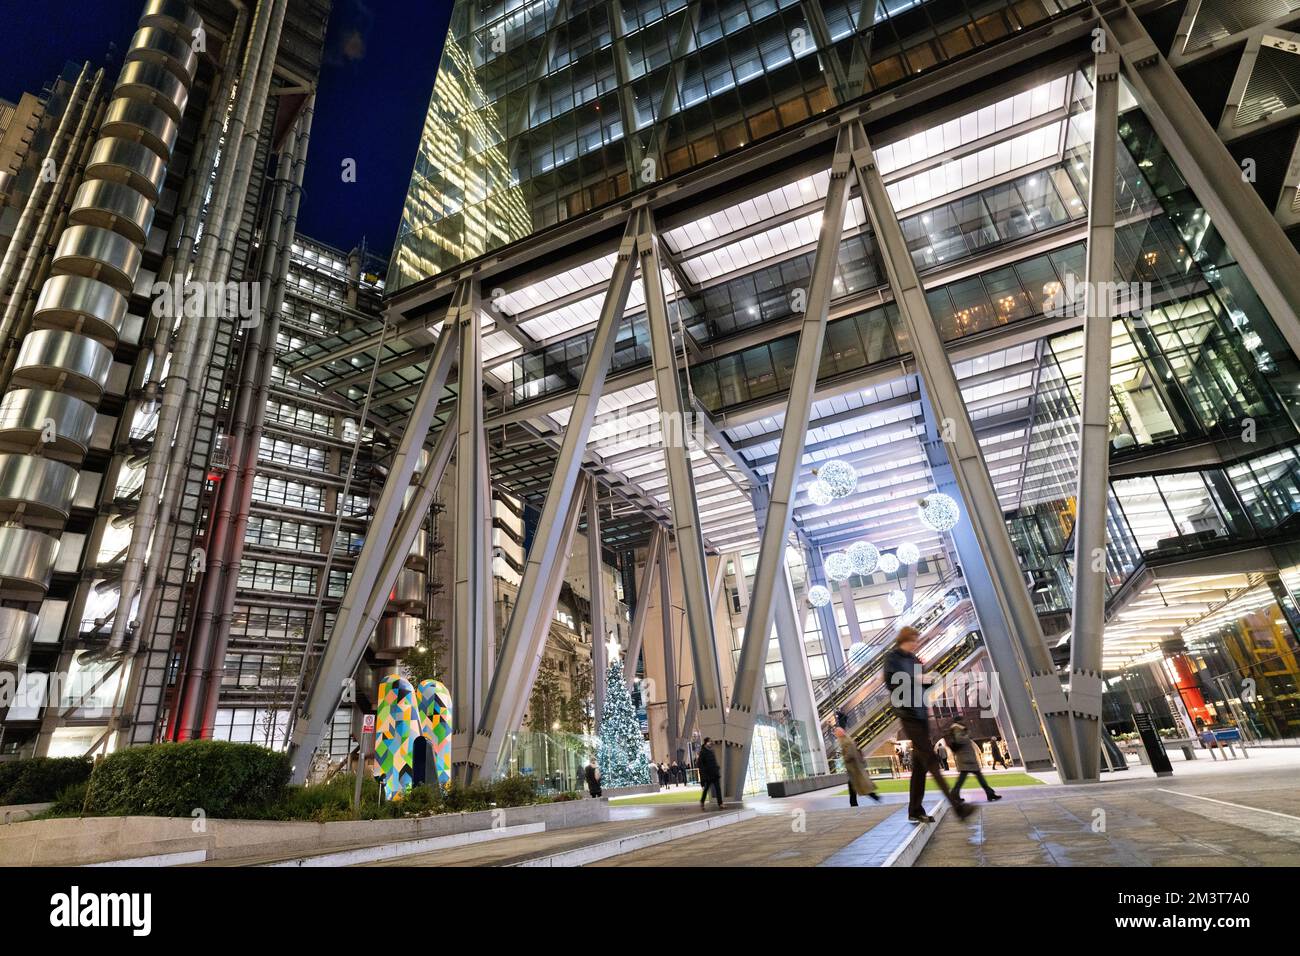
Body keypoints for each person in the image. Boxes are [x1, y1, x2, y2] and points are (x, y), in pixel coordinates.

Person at [882, 626, 974, 824]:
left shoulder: (914, 660)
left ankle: (915, 810)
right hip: (907, 713)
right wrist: (916, 679)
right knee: (931, 759)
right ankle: (958, 807)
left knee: (920, 765)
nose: (916, 644)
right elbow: (892, 683)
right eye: (914, 640)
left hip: (921, 713)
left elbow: (922, 686)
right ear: (905, 639)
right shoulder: (892, 658)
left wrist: (930, 680)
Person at [947, 718, 1001, 803]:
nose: (964, 721)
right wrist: (967, 734)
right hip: (965, 758)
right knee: (976, 777)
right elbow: (960, 739)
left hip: (966, 757)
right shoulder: (957, 728)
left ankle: (955, 795)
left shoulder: (959, 728)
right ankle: (990, 794)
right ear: (958, 721)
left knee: (965, 779)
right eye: (961, 720)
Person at [834, 727, 880, 807]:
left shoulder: (845, 741)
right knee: (854, 785)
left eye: (836, 732)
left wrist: (845, 758)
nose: (835, 734)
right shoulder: (846, 740)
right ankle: (856, 802)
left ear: (840, 733)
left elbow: (850, 754)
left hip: (854, 768)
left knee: (857, 785)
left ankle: (871, 797)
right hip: (854, 767)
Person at [697, 737, 723, 809]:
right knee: (706, 789)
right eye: (709, 741)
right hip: (708, 774)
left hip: (714, 773)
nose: (711, 743)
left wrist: (717, 768)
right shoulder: (703, 752)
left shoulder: (711, 751)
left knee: (718, 788)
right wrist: (704, 775)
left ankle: (720, 803)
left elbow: (714, 762)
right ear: (706, 743)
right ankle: (702, 801)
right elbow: (700, 764)